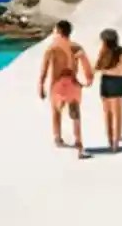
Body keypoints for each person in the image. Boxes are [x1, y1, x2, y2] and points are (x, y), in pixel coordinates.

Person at [38, 20, 94, 158]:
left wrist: (41, 85)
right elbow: (87, 67)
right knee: (75, 114)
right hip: (72, 83)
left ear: (57, 31)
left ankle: (58, 138)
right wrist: (88, 81)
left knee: (56, 110)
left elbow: (44, 70)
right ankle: (79, 144)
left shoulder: (52, 48)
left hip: (58, 84)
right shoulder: (76, 47)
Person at [95, 28, 122, 153]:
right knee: (118, 114)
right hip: (118, 81)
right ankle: (116, 143)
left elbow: (97, 67)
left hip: (106, 81)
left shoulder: (104, 52)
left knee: (108, 114)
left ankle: (110, 141)